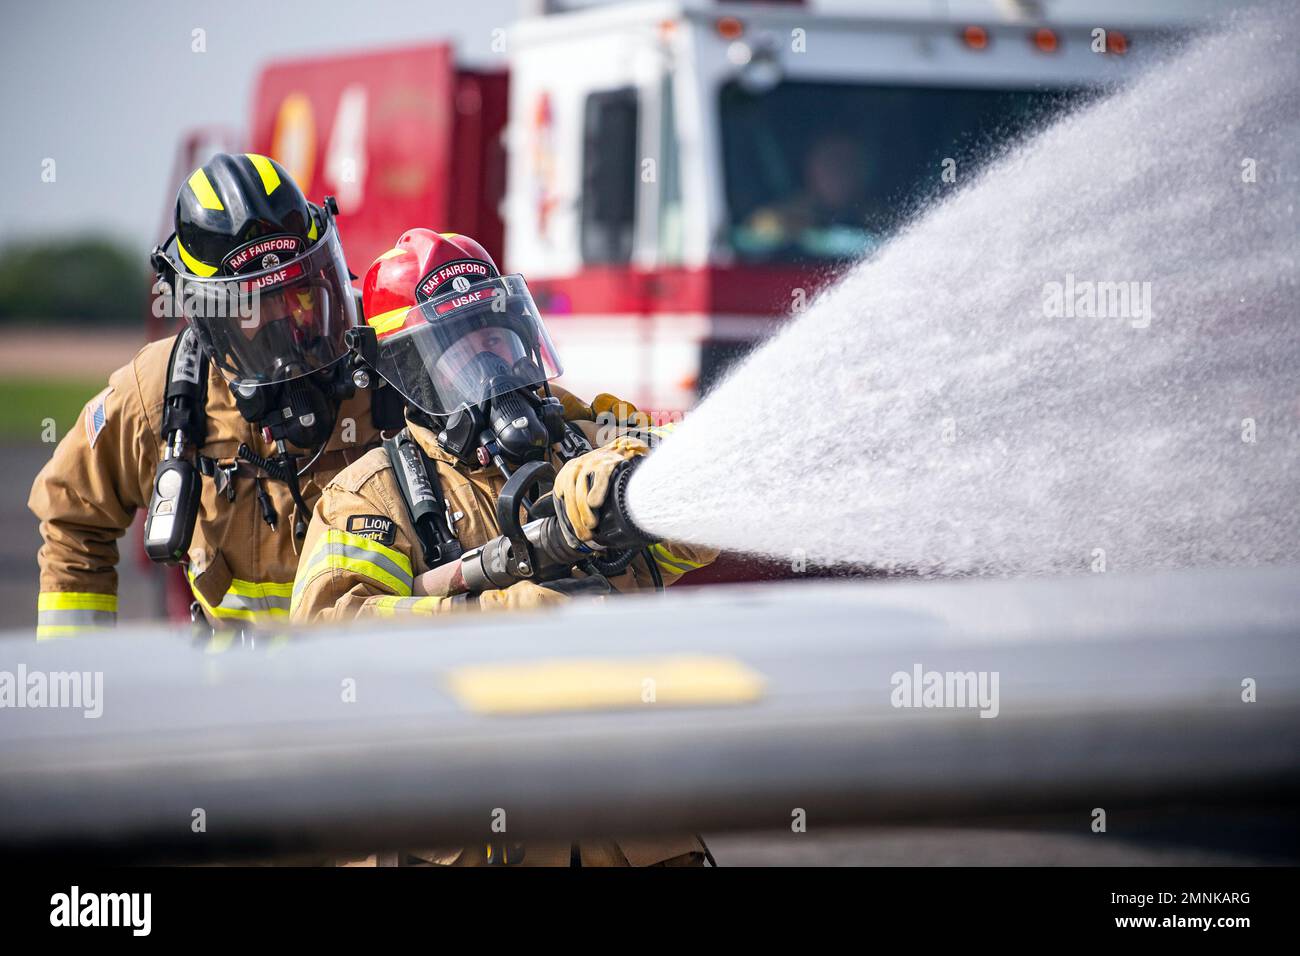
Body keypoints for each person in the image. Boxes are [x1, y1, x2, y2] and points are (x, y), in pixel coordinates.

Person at [289, 229, 716, 866]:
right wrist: (499, 618)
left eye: (499, 333)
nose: (494, 359)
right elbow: (329, 644)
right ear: (407, 371)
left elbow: (695, 476)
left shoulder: (584, 432)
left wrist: (621, 475)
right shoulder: (370, 498)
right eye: (462, 346)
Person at [30, 153, 382, 637]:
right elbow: (73, 514)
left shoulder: (386, 365)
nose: (286, 320)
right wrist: (75, 664)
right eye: (254, 304)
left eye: (298, 292)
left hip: (375, 689)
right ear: (208, 316)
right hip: (228, 696)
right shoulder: (160, 390)